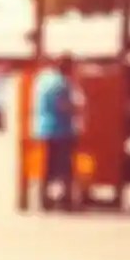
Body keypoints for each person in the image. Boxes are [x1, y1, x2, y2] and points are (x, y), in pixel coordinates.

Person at [32, 52, 82, 211]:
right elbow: (62, 105)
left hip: (43, 128)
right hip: (61, 129)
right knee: (65, 167)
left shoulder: (43, 79)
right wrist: (77, 109)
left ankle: (44, 199)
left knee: (47, 166)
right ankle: (66, 200)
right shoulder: (62, 83)